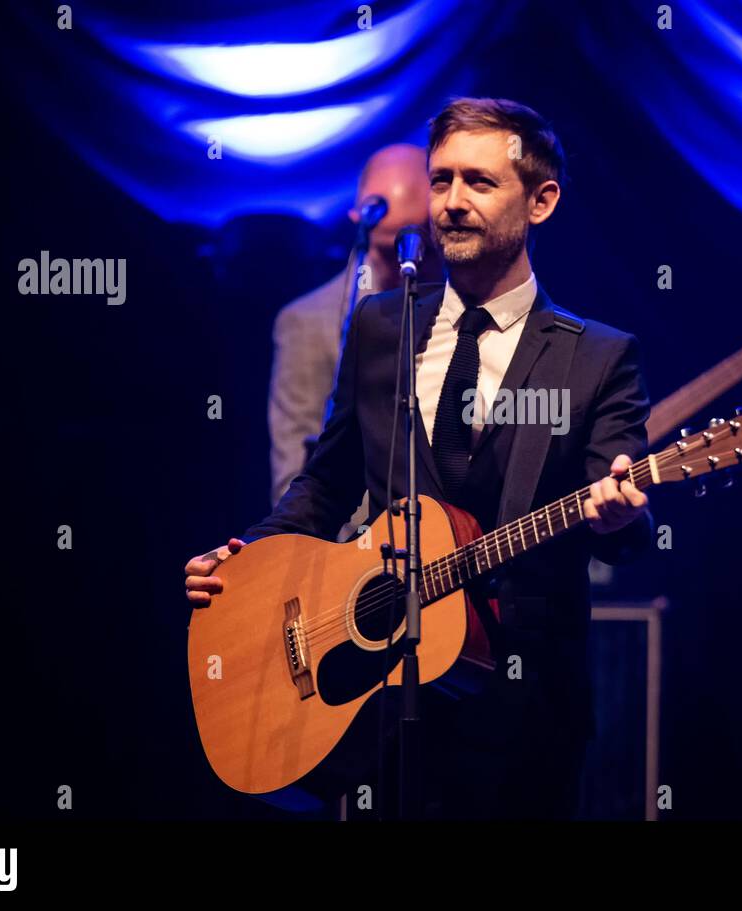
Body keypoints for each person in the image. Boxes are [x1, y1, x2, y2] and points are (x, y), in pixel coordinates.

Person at [186, 97, 653, 819]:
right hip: (378, 704)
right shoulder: (382, 325)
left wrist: (623, 513)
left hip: (523, 717)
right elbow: (326, 481)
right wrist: (249, 562)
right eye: (441, 181)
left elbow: (624, 533)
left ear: (541, 200)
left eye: (478, 182)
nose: (452, 203)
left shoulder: (596, 357)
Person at [267, 144, 439, 507]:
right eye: (388, 251)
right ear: (356, 217)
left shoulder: (465, 308)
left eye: (417, 247)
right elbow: (294, 479)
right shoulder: (307, 323)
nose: (404, 265)